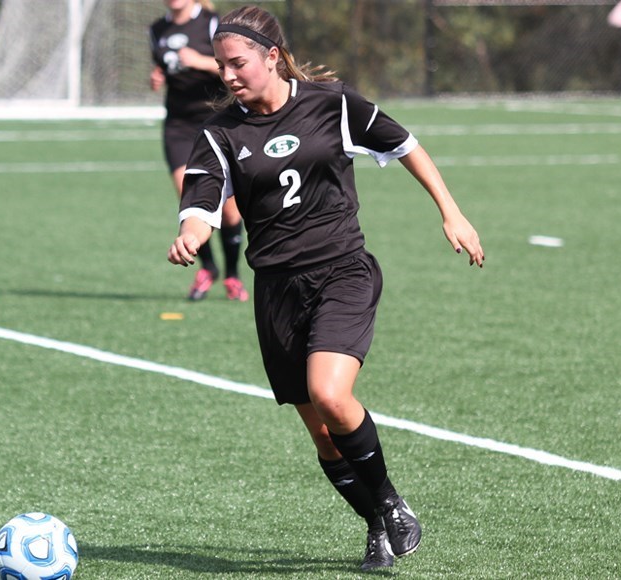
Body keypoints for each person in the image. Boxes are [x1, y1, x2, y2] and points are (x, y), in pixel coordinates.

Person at [166, 5, 485, 572]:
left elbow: (405, 142)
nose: (228, 75)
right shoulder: (219, 134)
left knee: (332, 395)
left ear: (272, 56)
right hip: (278, 293)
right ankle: (375, 525)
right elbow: (200, 204)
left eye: (238, 63)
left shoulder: (332, 103)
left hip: (341, 272)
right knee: (323, 435)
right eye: (221, 66)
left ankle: (390, 503)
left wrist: (451, 212)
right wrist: (190, 235)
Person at [150, 0, 249, 302]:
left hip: (215, 120)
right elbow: (164, 66)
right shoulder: (156, 29)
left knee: (230, 207)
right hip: (178, 125)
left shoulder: (210, 23)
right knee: (189, 194)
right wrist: (158, 76)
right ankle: (207, 267)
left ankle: (232, 276)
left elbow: (231, 64)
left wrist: (199, 60)